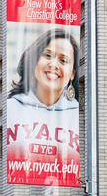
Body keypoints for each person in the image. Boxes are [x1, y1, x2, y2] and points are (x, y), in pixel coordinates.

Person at [6, 29, 81, 186]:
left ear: (72, 74)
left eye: (63, 60)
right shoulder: (12, 106)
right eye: (47, 55)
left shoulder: (76, 112)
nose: (53, 64)